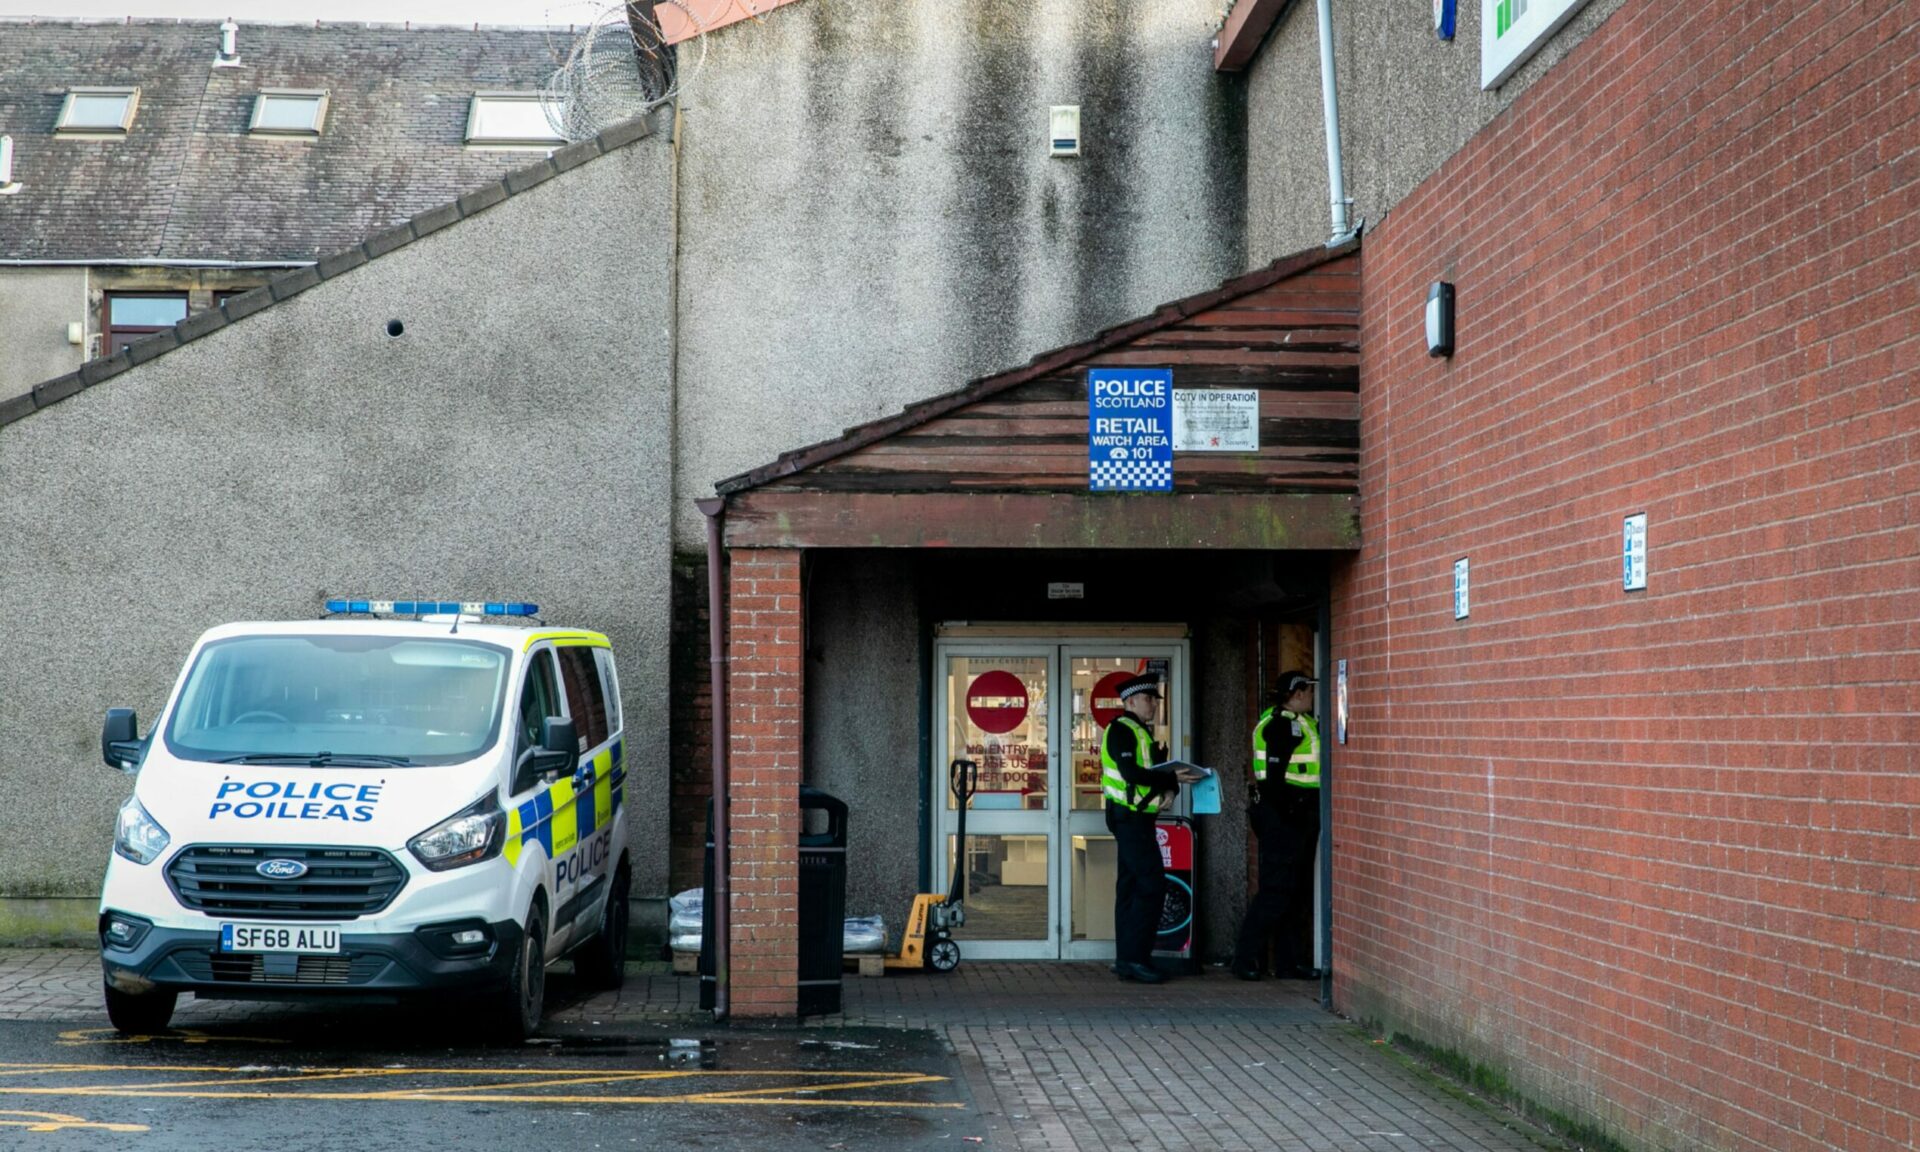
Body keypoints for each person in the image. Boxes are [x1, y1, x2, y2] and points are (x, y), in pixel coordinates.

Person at [1101, 674, 1205, 984]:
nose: (1154, 705)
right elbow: (1131, 773)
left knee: (1132, 887)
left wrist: (1169, 783)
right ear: (1131, 702)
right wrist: (1173, 780)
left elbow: (1148, 772)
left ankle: (1127, 960)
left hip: (1137, 818)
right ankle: (1135, 959)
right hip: (1129, 818)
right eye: (1149, 699)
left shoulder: (1141, 732)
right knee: (1151, 885)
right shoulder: (1120, 729)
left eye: (1156, 700)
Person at [1231, 670, 1322, 981]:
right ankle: (1244, 959)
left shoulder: (1300, 721)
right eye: (1308, 691)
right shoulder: (1279, 725)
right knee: (1275, 891)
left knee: (1294, 892)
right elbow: (1273, 780)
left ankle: (1289, 962)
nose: (1312, 696)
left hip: (1296, 816)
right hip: (1283, 819)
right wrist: (1293, 813)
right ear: (1296, 694)